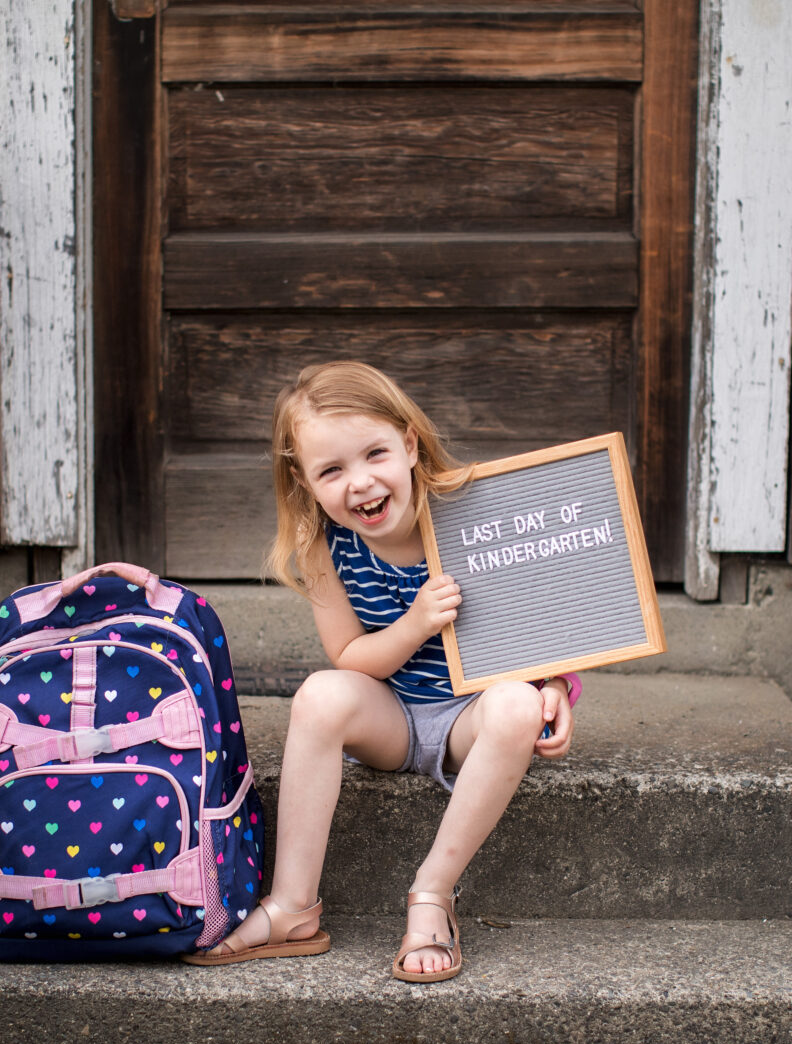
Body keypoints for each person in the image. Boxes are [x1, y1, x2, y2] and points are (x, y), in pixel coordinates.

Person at [183, 361, 578, 982]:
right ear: (304, 481)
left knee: (517, 704)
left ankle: (432, 892)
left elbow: (542, 620)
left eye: (375, 454)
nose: (360, 483)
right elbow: (349, 656)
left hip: (469, 719)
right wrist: (416, 624)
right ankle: (292, 904)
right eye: (332, 470)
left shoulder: (471, 514)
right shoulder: (324, 547)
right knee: (320, 694)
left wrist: (556, 688)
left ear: (411, 445)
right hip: (390, 719)